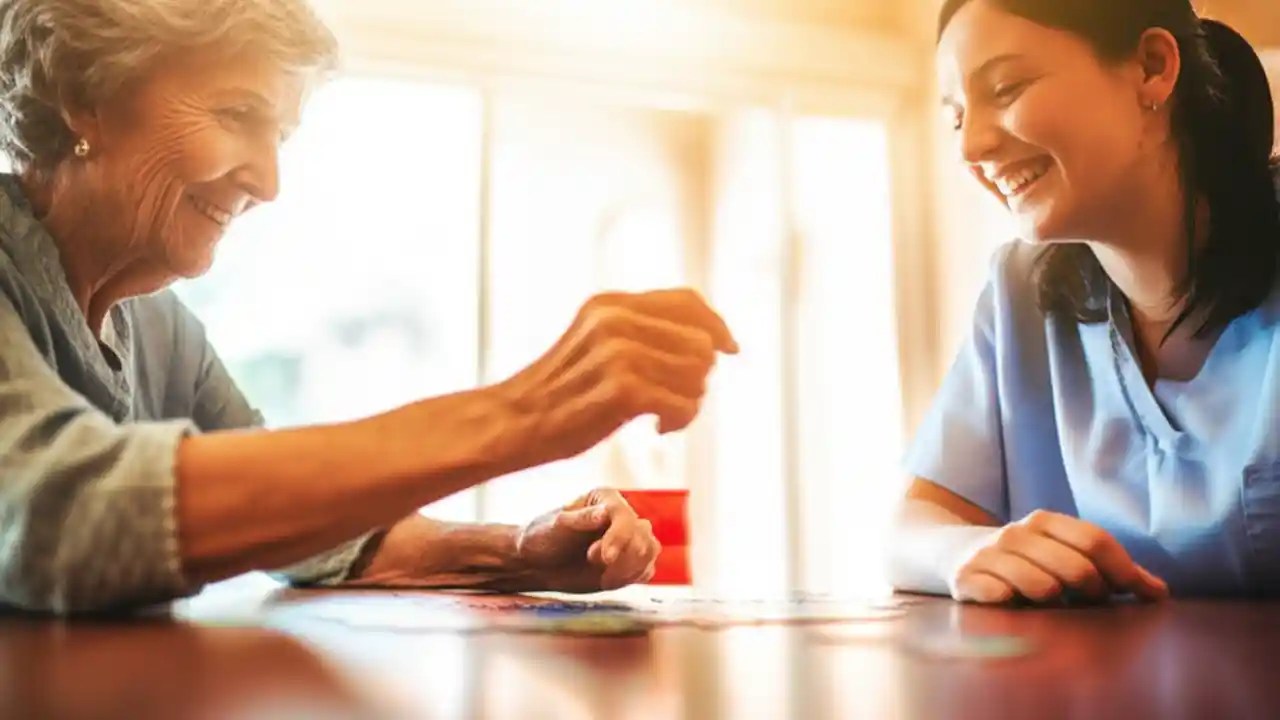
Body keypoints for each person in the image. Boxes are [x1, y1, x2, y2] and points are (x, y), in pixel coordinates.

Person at [0, 0, 738, 614]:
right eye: (237, 113)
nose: (268, 181)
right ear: (85, 97)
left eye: (280, 135)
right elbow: (51, 512)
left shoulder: (163, 331)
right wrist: (523, 413)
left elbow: (310, 533)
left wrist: (514, 551)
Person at [890, 0, 1280, 603]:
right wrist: (963, 551)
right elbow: (910, 530)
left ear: (1152, 68)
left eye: (1007, 87)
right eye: (958, 116)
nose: (972, 148)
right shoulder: (1019, 296)